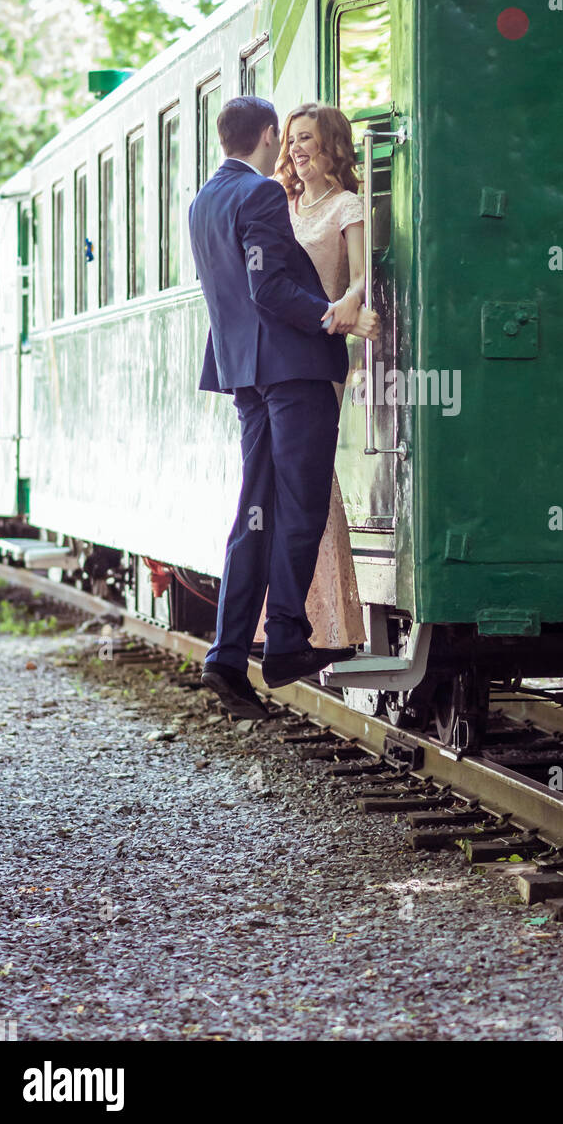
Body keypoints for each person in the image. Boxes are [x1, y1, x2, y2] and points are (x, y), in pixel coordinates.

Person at [188, 96, 380, 719]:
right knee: (299, 505)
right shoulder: (263, 194)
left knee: (254, 511)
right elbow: (267, 286)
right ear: (269, 135)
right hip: (294, 370)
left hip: (244, 374)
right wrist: (330, 317)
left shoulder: (203, 201)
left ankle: (226, 653)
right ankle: (288, 641)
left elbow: (231, 295)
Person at [252, 102, 368, 654]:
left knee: (311, 491)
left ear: (332, 148)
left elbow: (361, 278)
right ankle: (279, 624)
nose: (297, 150)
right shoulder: (280, 202)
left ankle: (320, 622)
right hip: (274, 359)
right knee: (276, 491)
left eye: (308, 140)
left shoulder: (348, 205)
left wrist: (345, 308)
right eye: (292, 140)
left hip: (320, 357)